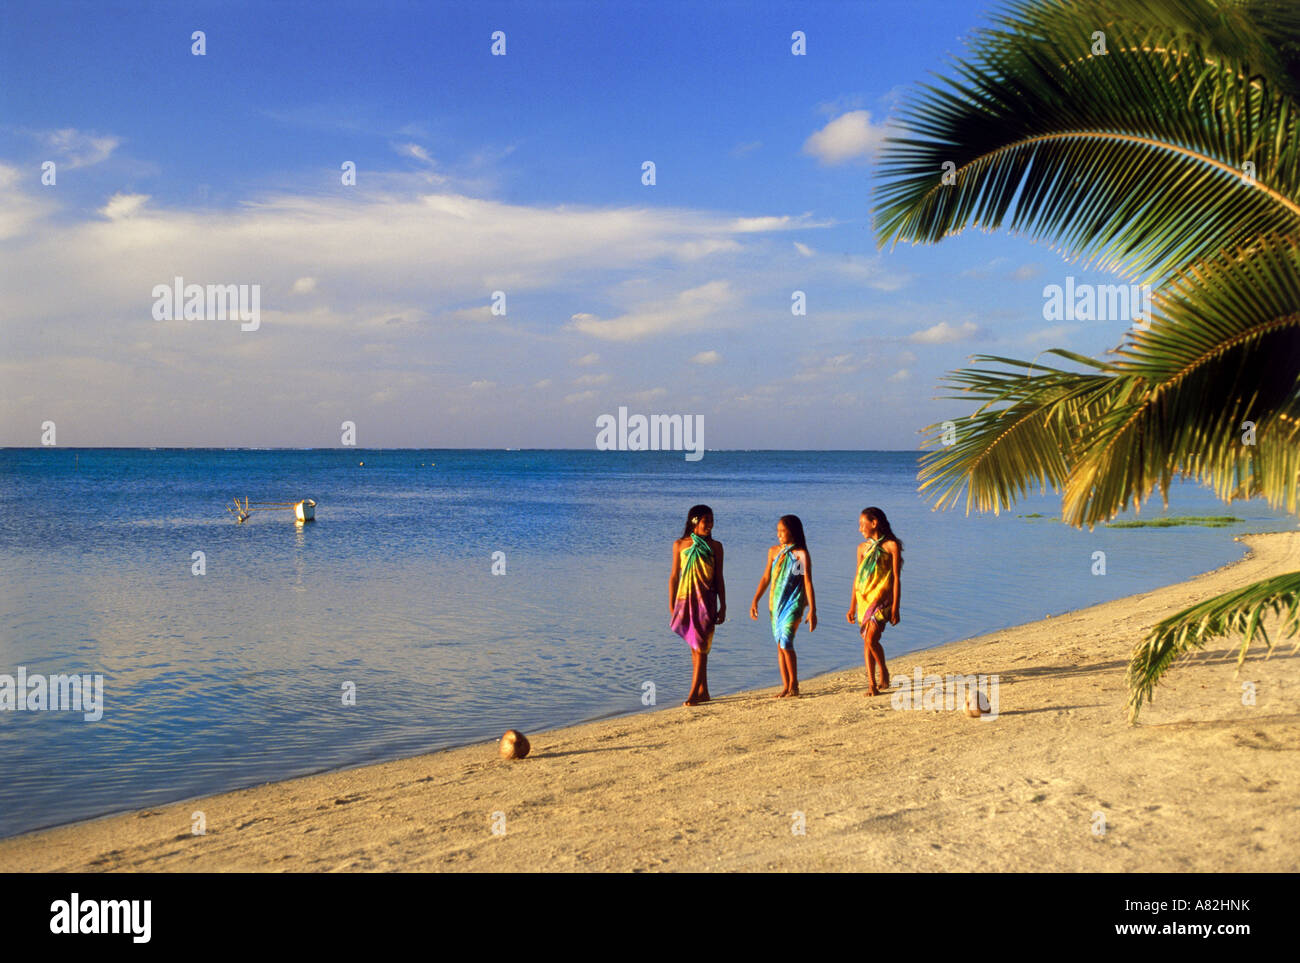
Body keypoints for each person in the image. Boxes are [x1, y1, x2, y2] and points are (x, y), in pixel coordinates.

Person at [750, 514, 816, 697]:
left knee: (786, 641)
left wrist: (812, 609)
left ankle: (794, 685)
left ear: (792, 532)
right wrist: (755, 599)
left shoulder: (800, 555)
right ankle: (786, 685)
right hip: (776, 604)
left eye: (782, 531)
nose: (778, 534)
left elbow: (807, 582)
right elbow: (766, 578)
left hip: (793, 603)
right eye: (777, 531)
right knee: (779, 644)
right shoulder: (773, 552)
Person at [670, 505, 725, 706]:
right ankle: (704, 691)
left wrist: (723, 605)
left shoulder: (716, 546)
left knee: (701, 647)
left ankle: (693, 693)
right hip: (686, 601)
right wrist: (672, 604)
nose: (709, 525)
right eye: (705, 521)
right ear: (695, 522)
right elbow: (674, 577)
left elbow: (719, 577)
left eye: (711, 521)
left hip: (707, 601)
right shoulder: (679, 545)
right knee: (695, 647)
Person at [847, 506, 902, 696]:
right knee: (867, 641)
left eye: (863, 524)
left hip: (883, 600)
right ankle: (871, 684)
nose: (860, 529)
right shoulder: (862, 548)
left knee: (871, 639)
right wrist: (852, 605)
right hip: (864, 598)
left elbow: (896, 578)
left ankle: (883, 670)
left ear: (874, 523)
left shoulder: (892, 546)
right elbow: (857, 576)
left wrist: (896, 607)